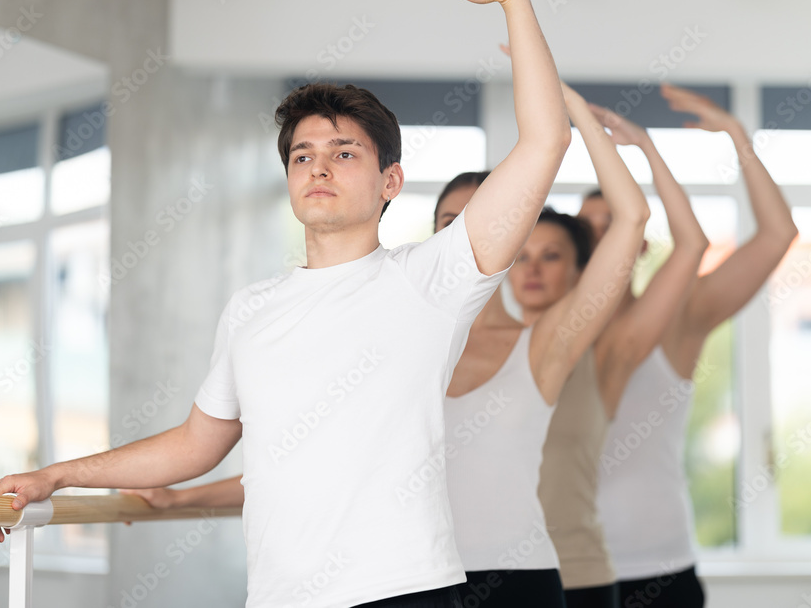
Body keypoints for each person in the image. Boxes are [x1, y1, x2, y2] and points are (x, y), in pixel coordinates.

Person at [0, 0, 572, 607]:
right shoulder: (251, 309)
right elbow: (194, 443)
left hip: (402, 592)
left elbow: (545, 140)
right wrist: (55, 476)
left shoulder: (431, 277)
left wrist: (513, 0)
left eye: (343, 153)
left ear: (390, 181)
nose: (318, 167)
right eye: (303, 155)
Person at [126, 82, 650, 607]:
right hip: (408, 579)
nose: (466, 233)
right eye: (450, 224)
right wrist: (181, 497)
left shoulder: (541, 343)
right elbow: (303, 467)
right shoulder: (388, 333)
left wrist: (574, 111)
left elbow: (629, 218)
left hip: (506, 578)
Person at [589, 85, 797, 608]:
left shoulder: (680, 317)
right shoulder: (543, 332)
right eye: (587, 227)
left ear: (640, 241)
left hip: (660, 564)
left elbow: (776, 235)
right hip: (571, 564)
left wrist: (736, 136)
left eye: (614, 221)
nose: (601, 236)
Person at [523, 91, 712, 608]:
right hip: (503, 573)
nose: (533, 269)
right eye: (521, 256)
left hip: (588, 577)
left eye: (553, 255)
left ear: (582, 269)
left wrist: (640, 145)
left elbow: (691, 244)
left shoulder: (603, 356)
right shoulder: (482, 350)